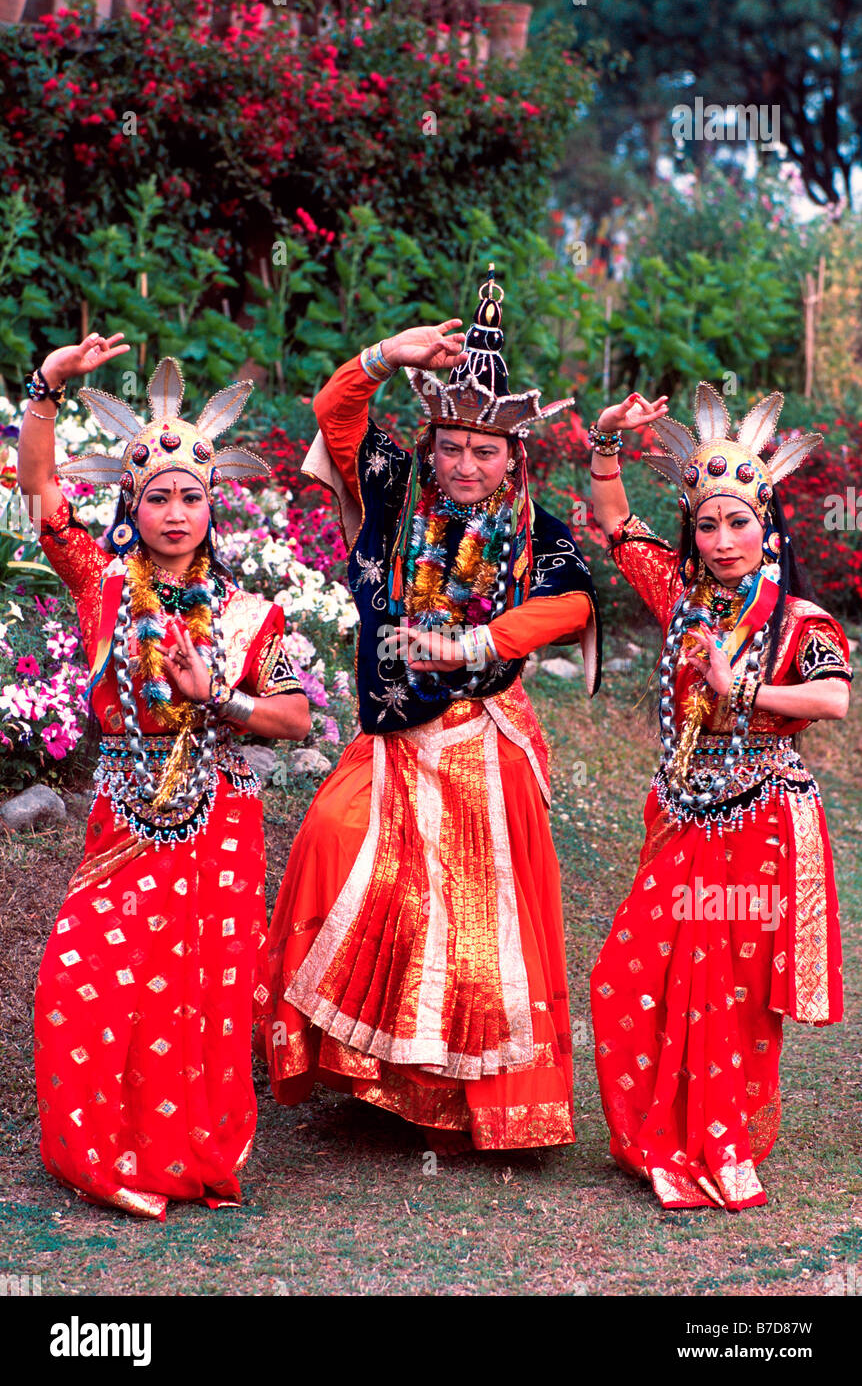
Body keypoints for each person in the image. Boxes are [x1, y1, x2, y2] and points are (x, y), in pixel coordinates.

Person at [255, 269, 602, 1151]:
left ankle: (475, 1107)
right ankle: (373, 1077)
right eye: (451, 446)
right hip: (392, 738)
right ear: (432, 443)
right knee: (333, 850)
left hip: (481, 742)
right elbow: (335, 415)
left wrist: (477, 643)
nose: (464, 465)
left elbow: (572, 605)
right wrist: (384, 355)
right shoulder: (393, 487)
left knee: (479, 927)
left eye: (484, 452)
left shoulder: (535, 529)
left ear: (513, 458)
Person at [17, 333, 310, 1219]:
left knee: (198, 1002)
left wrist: (217, 694)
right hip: (125, 818)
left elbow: (294, 717)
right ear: (133, 506)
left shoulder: (257, 613)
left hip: (218, 822)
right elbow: (40, 494)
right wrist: (45, 389)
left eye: (190, 497)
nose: (175, 513)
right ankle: (103, 1156)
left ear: (212, 505)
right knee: (80, 978)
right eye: (158, 498)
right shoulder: (103, 585)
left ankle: (181, 1159)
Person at [587, 383, 852, 1210]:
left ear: (766, 523)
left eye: (740, 520)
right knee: (625, 977)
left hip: (764, 819)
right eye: (709, 522)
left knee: (731, 998)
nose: (725, 538)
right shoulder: (680, 599)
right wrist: (604, 442)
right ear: (693, 532)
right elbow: (616, 523)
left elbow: (835, 698)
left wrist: (742, 695)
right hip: (686, 812)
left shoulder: (796, 617)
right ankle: (661, 1139)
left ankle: (723, 1142)